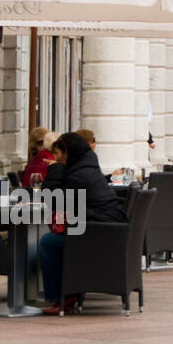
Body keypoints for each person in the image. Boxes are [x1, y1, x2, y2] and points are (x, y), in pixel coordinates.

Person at [38, 132, 128, 315]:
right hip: (109, 232)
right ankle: (70, 291)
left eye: (57, 154)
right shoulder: (88, 168)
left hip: (97, 235)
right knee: (55, 238)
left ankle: (62, 297)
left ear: (67, 153)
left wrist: (55, 169)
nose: (55, 159)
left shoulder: (79, 175)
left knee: (48, 242)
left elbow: (53, 200)